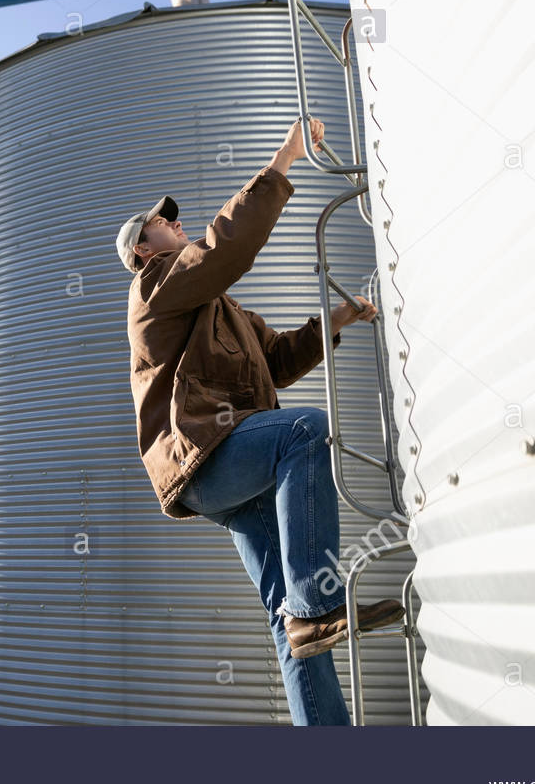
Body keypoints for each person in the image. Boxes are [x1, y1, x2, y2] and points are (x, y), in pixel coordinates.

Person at [115, 117, 404, 726]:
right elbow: (225, 247)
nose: (176, 223)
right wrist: (283, 161)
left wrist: (334, 321)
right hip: (203, 455)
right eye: (163, 223)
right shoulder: (155, 288)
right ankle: (318, 603)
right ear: (144, 249)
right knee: (305, 432)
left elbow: (276, 361)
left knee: (287, 623)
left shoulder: (219, 308)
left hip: (230, 467)